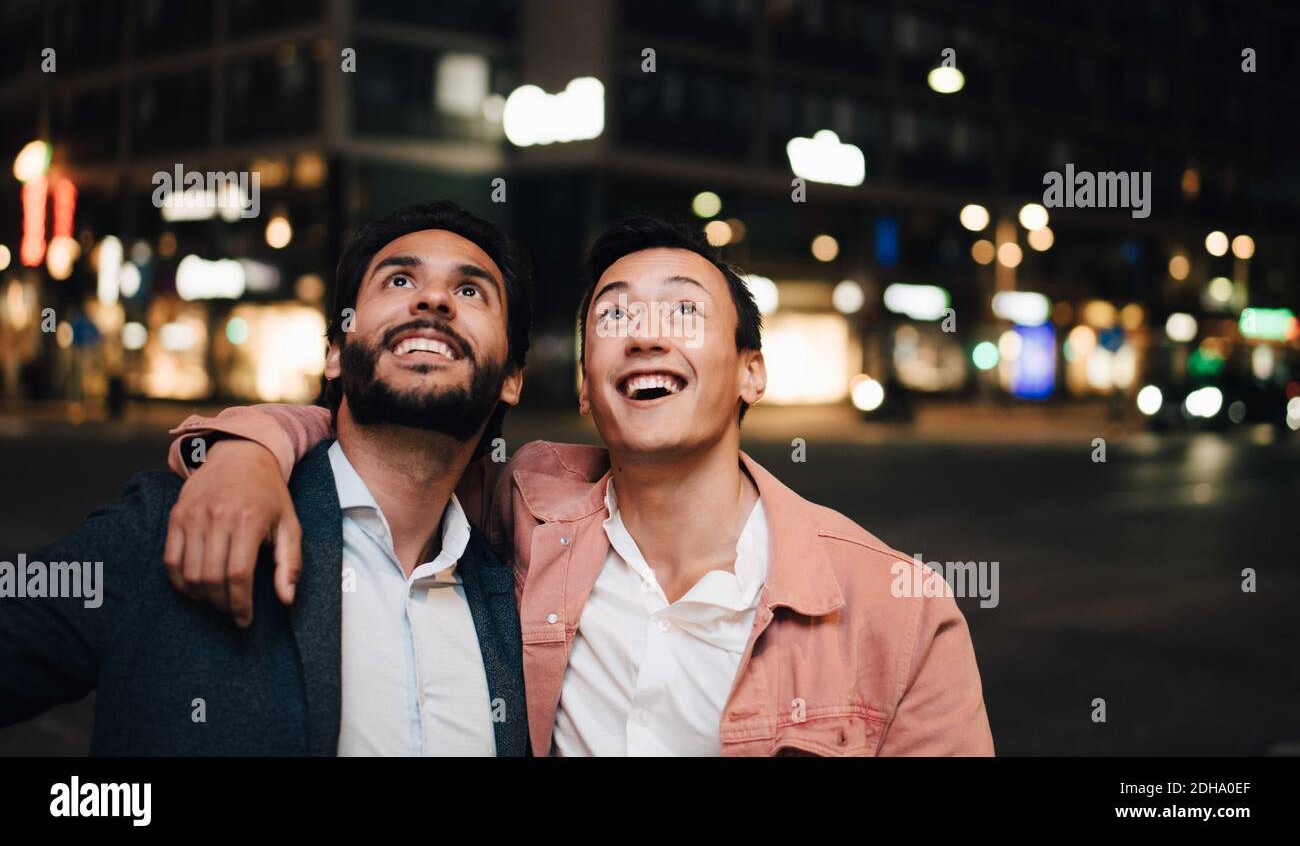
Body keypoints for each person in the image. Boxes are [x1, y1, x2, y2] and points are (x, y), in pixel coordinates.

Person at [163, 217, 995, 756]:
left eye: (682, 312)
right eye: (614, 315)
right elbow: (389, 440)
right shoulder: (522, 505)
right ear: (588, 388)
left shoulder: (897, 609)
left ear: (752, 371)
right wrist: (246, 450)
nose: (643, 337)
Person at [0, 202, 529, 756]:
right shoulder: (177, 521)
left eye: (471, 291)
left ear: (511, 379)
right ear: (335, 354)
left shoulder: (513, 596)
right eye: (399, 279)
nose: (434, 299)